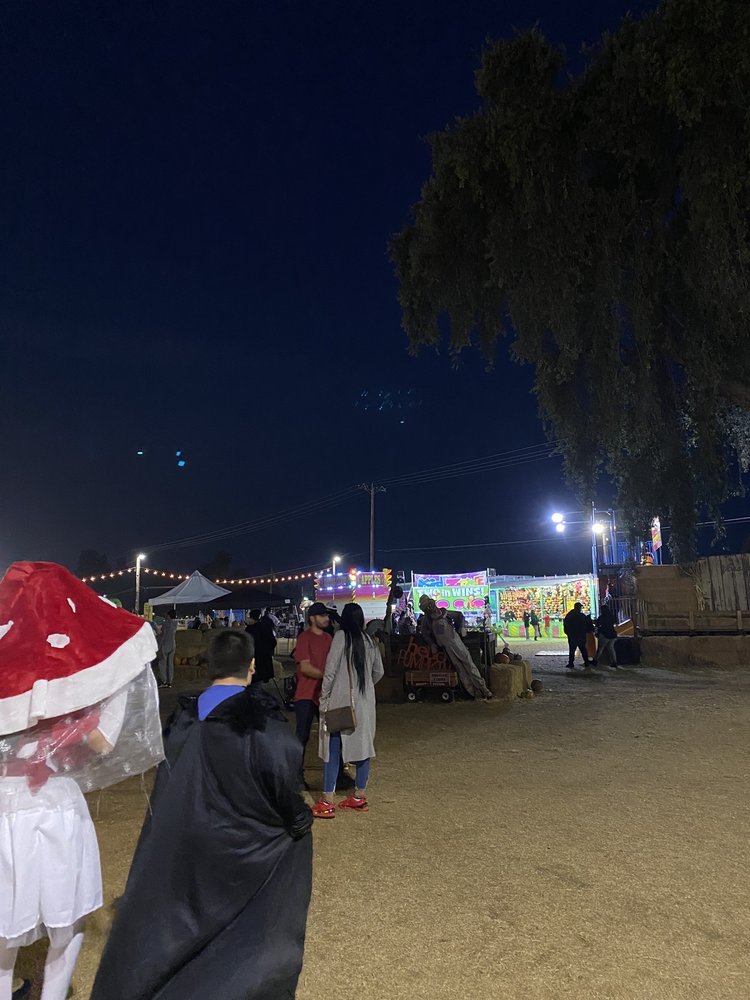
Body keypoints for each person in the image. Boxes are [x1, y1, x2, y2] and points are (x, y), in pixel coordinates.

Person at [91, 629, 312, 1000]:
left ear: (209, 666)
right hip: (242, 848)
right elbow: (280, 773)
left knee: (186, 927)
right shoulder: (257, 721)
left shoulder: (182, 721)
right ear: (252, 666)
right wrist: (297, 817)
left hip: (188, 839)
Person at [0, 561, 163, 1000]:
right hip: (54, 803)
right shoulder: (93, 666)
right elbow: (104, 743)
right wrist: (78, 717)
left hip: (7, 801)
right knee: (66, 917)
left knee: (4, 922)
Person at [313, 603, 384, 818]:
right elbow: (379, 671)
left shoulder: (341, 637)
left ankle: (327, 800)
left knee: (333, 747)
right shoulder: (369, 640)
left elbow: (330, 671)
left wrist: (324, 698)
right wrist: (367, 689)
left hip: (341, 702)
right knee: (364, 748)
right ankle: (359, 796)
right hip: (364, 704)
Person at [418, 595, 493, 700]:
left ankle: (483, 688)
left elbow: (459, 615)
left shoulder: (444, 612)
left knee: (469, 664)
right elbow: (424, 633)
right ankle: (473, 693)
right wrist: (432, 644)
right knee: (460, 669)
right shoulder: (426, 620)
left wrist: (461, 628)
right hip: (446, 647)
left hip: (455, 642)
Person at [292, 602, 332, 789]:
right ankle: (296, 776)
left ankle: (336, 774)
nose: (326, 618)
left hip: (323, 693)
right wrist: (327, 676)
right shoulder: (304, 638)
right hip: (307, 694)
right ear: (312, 618)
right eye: (322, 615)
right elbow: (305, 667)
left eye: (327, 615)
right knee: (302, 735)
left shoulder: (329, 638)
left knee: (332, 735)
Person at [246, 608, 277, 683]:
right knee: (262, 676)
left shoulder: (249, 629)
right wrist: (269, 651)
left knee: (255, 679)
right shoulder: (266, 627)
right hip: (265, 656)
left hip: (254, 657)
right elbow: (273, 641)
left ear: (251, 618)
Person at [563, 601, 594, 669]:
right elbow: (588, 624)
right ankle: (586, 662)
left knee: (572, 650)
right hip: (581, 635)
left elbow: (565, 624)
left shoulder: (569, 615)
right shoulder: (582, 616)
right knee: (583, 649)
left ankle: (571, 663)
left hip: (572, 636)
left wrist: (568, 633)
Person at [157, 609, 177, 687]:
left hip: (165, 645)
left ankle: (164, 681)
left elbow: (163, 635)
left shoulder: (165, 624)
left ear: (168, 615)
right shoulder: (175, 623)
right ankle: (170, 681)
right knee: (170, 664)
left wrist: (159, 646)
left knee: (162, 663)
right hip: (173, 645)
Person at [595, 601, 619, 668]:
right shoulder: (612, 616)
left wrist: (597, 633)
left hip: (604, 634)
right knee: (611, 649)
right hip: (613, 634)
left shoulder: (601, 617)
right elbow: (615, 623)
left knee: (600, 649)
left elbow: (597, 625)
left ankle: (595, 660)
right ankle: (614, 662)